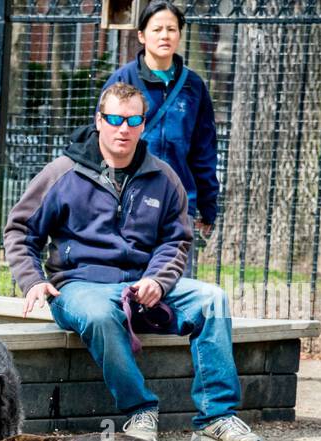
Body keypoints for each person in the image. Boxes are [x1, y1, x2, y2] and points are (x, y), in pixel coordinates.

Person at [2, 81, 262, 441]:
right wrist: (32, 281)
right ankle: (139, 410)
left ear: (143, 124)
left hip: (143, 288)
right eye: (114, 118)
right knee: (99, 315)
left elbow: (176, 240)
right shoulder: (62, 172)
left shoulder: (164, 177)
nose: (123, 128)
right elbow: (20, 230)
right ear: (99, 121)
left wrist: (158, 279)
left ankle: (216, 418)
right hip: (79, 286)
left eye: (133, 119)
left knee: (211, 299)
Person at [103, 1, 218, 273]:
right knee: (127, 282)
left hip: (179, 202)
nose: (165, 35)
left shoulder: (194, 86)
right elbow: (102, 138)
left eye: (171, 29)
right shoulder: (123, 79)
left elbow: (204, 150)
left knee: (175, 284)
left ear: (180, 34)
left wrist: (207, 204)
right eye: (157, 29)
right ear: (142, 35)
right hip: (128, 199)